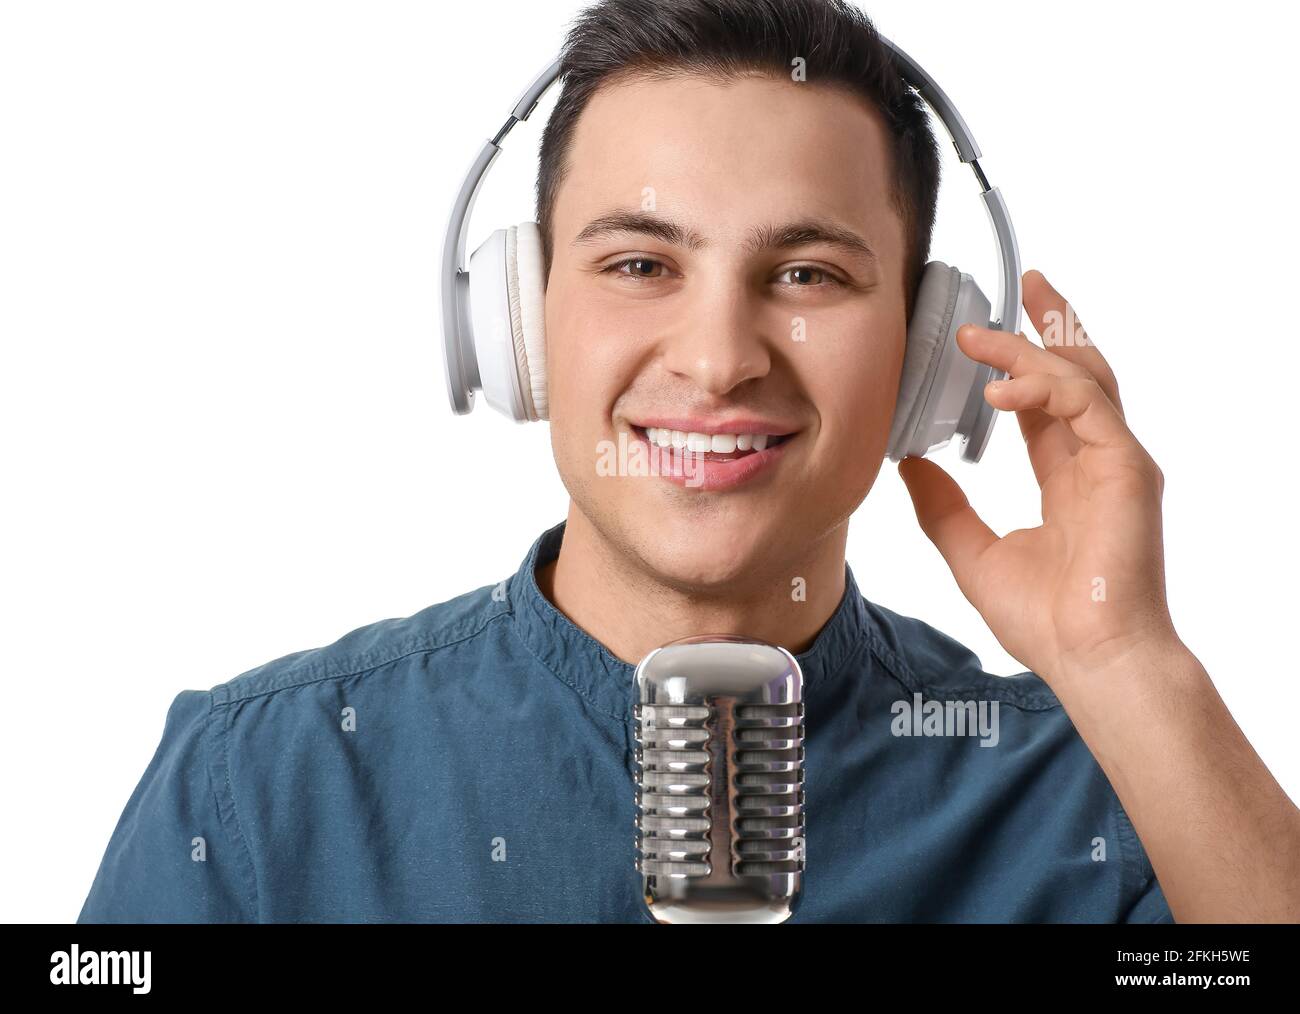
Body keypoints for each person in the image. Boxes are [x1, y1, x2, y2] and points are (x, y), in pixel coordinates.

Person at [78, 0, 1300, 924]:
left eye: (806, 275)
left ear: (928, 355)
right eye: (639, 264)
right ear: (517, 323)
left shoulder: (1105, 805)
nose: (717, 361)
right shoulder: (257, 786)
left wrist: (1128, 665)